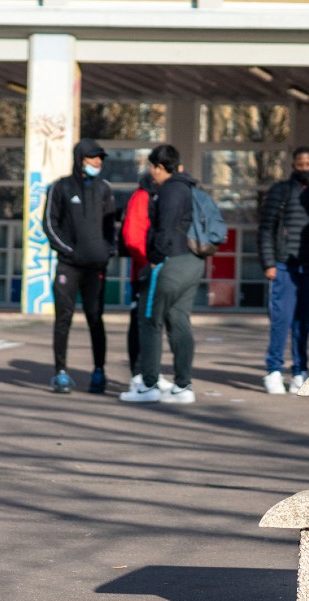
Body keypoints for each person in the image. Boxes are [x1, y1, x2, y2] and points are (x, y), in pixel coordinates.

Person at [123, 145, 201, 405]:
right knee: (179, 320)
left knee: (149, 320)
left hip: (169, 263)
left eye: (152, 168)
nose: (151, 173)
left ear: (158, 167)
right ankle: (183, 386)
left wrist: (154, 261)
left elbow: (163, 231)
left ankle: (148, 385)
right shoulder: (190, 187)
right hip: (193, 261)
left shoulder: (167, 191)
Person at [42, 140, 117, 395]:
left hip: (95, 268)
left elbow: (110, 228)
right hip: (69, 267)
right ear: (80, 159)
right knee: (63, 318)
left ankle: (99, 372)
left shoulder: (105, 189)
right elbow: (49, 225)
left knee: (96, 319)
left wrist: (107, 251)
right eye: (94, 158)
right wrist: (69, 251)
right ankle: (61, 372)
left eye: (101, 159)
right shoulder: (60, 188)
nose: (98, 162)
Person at [259, 146, 309, 395]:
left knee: (305, 322)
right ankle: (274, 370)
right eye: (300, 164)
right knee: (281, 320)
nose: (305, 168)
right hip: (284, 265)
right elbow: (267, 228)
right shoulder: (280, 191)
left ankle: (300, 370)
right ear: (293, 165)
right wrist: (269, 263)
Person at [120, 169, 154, 391]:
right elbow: (133, 237)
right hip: (145, 271)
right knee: (141, 322)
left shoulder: (160, 195)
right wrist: (149, 262)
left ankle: (150, 372)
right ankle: (139, 374)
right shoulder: (142, 196)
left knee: (154, 324)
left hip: (160, 270)